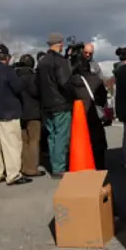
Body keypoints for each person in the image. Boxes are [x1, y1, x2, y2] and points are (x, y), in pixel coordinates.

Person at [0, 44, 30, 186]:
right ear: (7, 58)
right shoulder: (8, 71)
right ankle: (13, 174)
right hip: (8, 112)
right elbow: (18, 87)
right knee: (12, 145)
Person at [37, 33, 73, 179]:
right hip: (60, 103)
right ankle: (59, 167)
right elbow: (65, 82)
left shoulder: (42, 62)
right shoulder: (60, 61)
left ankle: (54, 165)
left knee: (52, 136)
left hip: (46, 104)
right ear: (60, 43)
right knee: (61, 137)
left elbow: (37, 84)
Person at [67, 43, 109, 170]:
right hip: (92, 114)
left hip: (76, 118)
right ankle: (100, 168)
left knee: (79, 144)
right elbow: (102, 98)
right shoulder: (95, 79)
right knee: (97, 143)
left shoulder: (69, 82)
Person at [15, 54, 45, 177]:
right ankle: (32, 168)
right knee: (34, 140)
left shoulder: (15, 77)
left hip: (19, 112)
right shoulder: (32, 77)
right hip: (33, 112)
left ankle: (24, 166)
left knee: (23, 140)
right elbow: (36, 92)